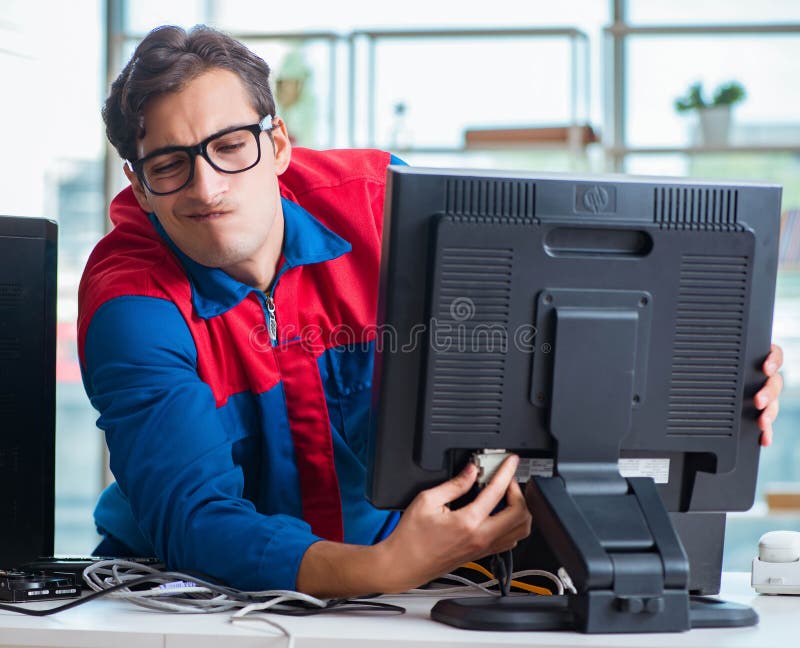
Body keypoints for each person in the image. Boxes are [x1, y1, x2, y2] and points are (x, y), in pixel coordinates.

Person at [78, 24, 783, 598]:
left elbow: (546, 339)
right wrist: (382, 570)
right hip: (189, 598)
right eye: (170, 164)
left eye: (230, 146)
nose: (206, 185)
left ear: (279, 145)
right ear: (139, 187)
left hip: (414, 581)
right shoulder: (130, 301)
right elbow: (196, 519)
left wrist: (712, 376)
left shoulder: (389, 213)